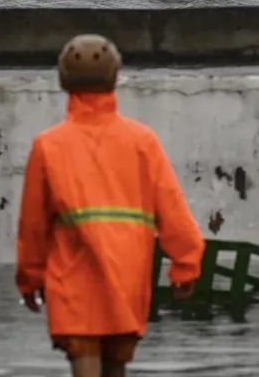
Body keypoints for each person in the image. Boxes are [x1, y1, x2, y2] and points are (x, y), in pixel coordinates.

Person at [16, 34, 206, 377]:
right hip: (127, 271)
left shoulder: (48, 145)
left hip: (72, 273)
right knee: (116, 361)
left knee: (83, 353)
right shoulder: (141, 141)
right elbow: (171, 206)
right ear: (116, 78)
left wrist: (29, 278)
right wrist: (186, 262)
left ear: (62, 80)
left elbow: (33, 223)